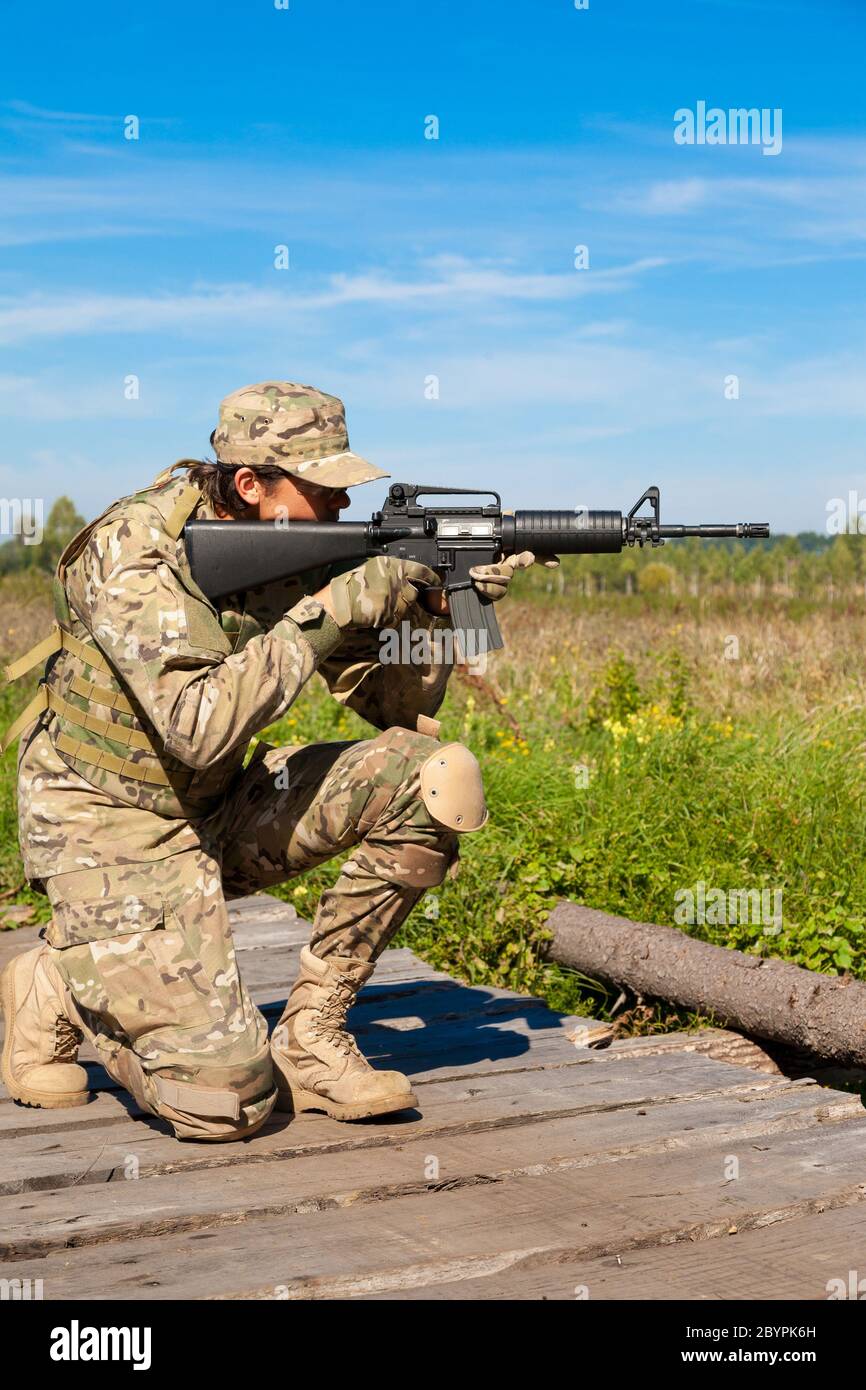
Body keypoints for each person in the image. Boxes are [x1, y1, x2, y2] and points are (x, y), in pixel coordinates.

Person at [0, 381, 557, 1141]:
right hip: (108, 825)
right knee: (229, 1102)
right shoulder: (135, 554)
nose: (339, 511)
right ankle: (61, 984)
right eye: (322, 491)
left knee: (431, 777)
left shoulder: (308, 552)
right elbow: (195, 728)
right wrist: (333, 611)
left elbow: (395, 711)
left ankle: (314, 1035)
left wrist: (436, 609)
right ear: (250, 484)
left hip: (216, 803)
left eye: (343, 492)